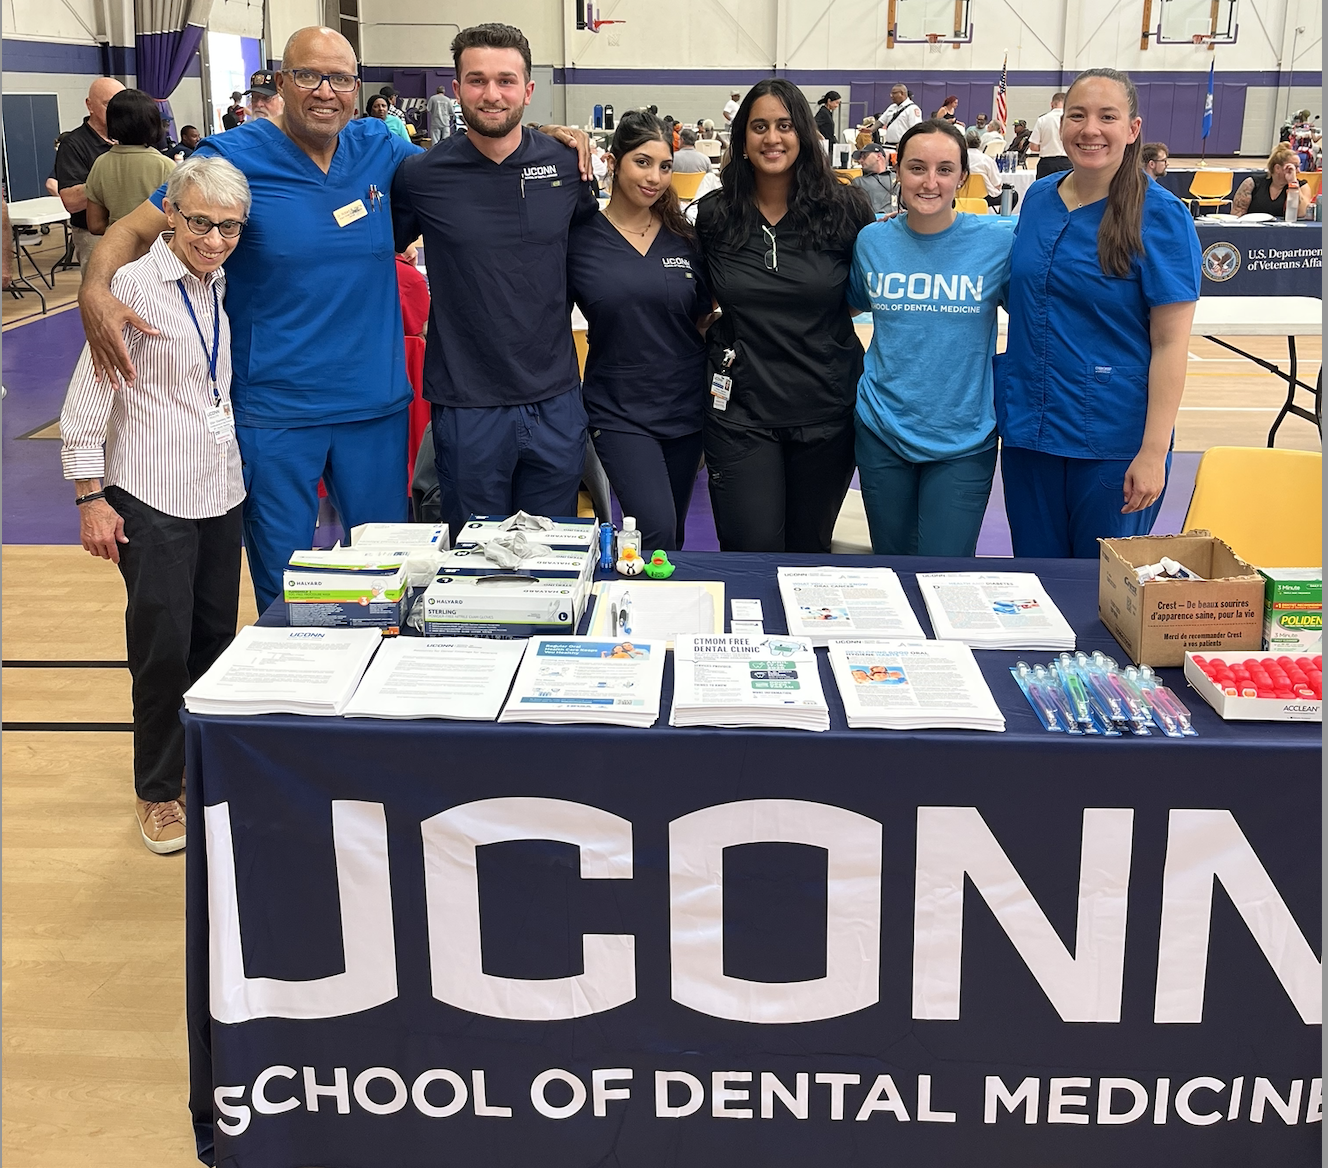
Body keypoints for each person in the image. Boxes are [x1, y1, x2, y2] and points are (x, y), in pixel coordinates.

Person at [78, 26, 424, 612]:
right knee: (284, 586)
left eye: (339, 79)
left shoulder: (378, 146)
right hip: (274, 412)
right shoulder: (232, 156)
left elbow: (473, 168)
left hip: (374, 405)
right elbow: (133, 227)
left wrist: (552, 141)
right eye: (308, 76)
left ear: (356, 88)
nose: (324, 91)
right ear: (281, 82)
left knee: (386, 575)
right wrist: (94, 289)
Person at [59, 156, 251, 854]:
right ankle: (156, 791)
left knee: (211, 640)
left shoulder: (218, 283)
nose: (214, 239)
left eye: (229, 227)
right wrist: (90, 497)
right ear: (169, 211)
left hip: (216, 487)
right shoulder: (130, 289)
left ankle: (199, 764)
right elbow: (84, 406)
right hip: (150, 492)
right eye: (201, 222)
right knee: (161, 649)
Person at [390, 23, 600, 539]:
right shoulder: (422, 176)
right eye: (476, 80)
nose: (491, 94)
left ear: (528, 91)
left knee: (551, 555)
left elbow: (597, 256)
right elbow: (380, 254)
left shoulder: (565, 166)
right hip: (468, 403)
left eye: (506, 81)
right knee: (476, 559)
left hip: (554, 397)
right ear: (456, 88)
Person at [996, 68, 1200, 559]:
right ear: (1060, 124)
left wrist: (1153, 452)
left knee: (1102, 594)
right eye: (1077, 116)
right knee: (1036, 583)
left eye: (1108, 117)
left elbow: (1171, 343)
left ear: (1132, 129)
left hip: (1113, 439)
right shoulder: (1040, 199)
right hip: (1031, 431)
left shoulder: (1162, 215)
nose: (1091, 129)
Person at [693, 78, 874, 553]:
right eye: (759, 127)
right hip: (740, 410)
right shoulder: (716, 214)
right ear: (742, 138)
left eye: (785, 125)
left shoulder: (845, 207)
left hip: (825, 409)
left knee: (807, 552)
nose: (772, 138)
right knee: (748, 547)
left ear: (805, 135)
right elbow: (701, 298)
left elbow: (858, 294)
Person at [849, 119, 1015, 557]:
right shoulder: (871, 241)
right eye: (917, 168)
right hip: (881, 429)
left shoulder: (999, 241)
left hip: (963, 437)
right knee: (891, 566)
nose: (930, 181)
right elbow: (841, 306)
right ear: (896, 171)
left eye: (945, 169)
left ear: (963, 176)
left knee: (947, 574)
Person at [567, 111, 712, 551]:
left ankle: (661, 615)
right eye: (642, 163)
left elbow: (703, 319)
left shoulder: (684, 239)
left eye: (664, 166)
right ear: (612, 162)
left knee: (674, 538)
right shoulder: (580, 238)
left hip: (686, 408)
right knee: (655, 530)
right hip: (619, 411)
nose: (655, 177)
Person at [84, 90, 177, 235]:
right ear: (153, 122)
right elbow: (177, 220)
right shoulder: (165, 165)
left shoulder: (100, 164)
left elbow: (95, 225)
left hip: (116, 247)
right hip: (156, 249)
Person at [54, 76, 124, 266]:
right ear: (90, 105)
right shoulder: (73, 144)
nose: (115, 112)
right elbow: (71, 200)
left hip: (132, 229)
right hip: (94, 234)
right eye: (108, 104)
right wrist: (119, 179)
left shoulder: (131, 138)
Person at [1233, 144, 1309, 218]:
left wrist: (1293, 183)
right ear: (1277, 168)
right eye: (1293, 167)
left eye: (1299, 166)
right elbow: (1236, 215)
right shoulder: (1252, 183)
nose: (1298, 171)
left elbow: (1301, 214)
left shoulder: (1302, 186)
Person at [1029, 91, 1069, 179]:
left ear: (1051, 104)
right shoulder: (1072, 119)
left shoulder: (1042, 119)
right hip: (1067, 162)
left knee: (1043, 191)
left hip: (1047, 163)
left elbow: (1033, 146)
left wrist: (1046, 146)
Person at [850, 143, 896, 215]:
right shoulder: (859, 182)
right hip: (874, 221)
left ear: (878, 156)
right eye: (860, 158)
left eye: (864, 156)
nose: (860, 160)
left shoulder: (897, 178)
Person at [878, 83, 921, 153]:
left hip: (901, 146)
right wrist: (870, 129)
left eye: (894, 93)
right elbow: (881, 121)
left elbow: (915, 130)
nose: (891, 96)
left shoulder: (912, 109)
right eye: (891, 94)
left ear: (902, 93)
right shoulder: (892, 107)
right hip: (888, 145)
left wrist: (905, 143)